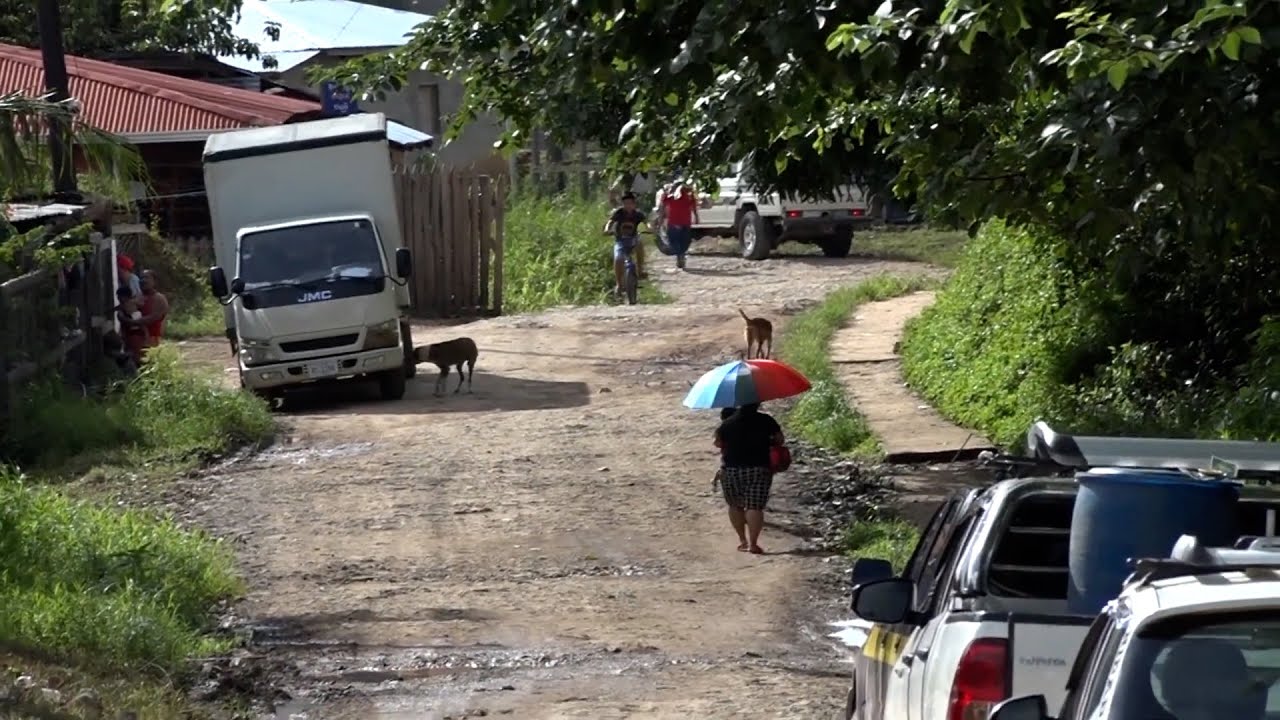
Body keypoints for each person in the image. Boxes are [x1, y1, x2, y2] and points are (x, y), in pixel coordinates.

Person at [714, 402, 784, 554]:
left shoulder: (727, 423)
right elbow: (780, 440)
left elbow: (718, 443)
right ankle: (753, 543)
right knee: (754, 507)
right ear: (757, 404)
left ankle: (742, 541)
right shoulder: (766, 420)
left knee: (735, 506)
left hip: (732, 469)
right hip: (759, 468)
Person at [603, 192, 648, 296]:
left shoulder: (638, 214)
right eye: (625, 203)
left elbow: (646, 222)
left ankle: (640, 270)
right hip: (621, 241)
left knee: (639, 243)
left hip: (633, 239)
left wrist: (650, 228)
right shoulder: (619, 213)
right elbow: (610, 222)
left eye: (630, 203)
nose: (628, 205)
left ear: (634, 204)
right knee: (618, 259)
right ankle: (619, 284)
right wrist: (607, 229)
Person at [658, 179, 700, 270]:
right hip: (683, 222)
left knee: (676, 242)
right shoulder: (687, 195)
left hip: (675, 223)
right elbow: (694, 207)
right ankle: (681, 255)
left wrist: (660, 220)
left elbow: (662, 207)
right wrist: (696, 217)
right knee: (683, 242)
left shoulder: (671, 195)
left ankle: (680, 255)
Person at [125, 269, 170, 347]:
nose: (143, 280)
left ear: (154, 281)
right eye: (141, 278)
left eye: (146, 278)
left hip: (152, 342)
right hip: (134, 343)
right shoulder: (137, 297)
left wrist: (128, 321)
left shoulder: (159, 298)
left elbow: (151, 318)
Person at [115, 286, 150, 366]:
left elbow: (138, 323)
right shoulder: (125, 305)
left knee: (135, 355)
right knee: (132, 353)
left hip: (135, 333)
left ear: (125, 296)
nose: (118, 298)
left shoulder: (129, 304)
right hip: (131, 333)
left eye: (120, 296)